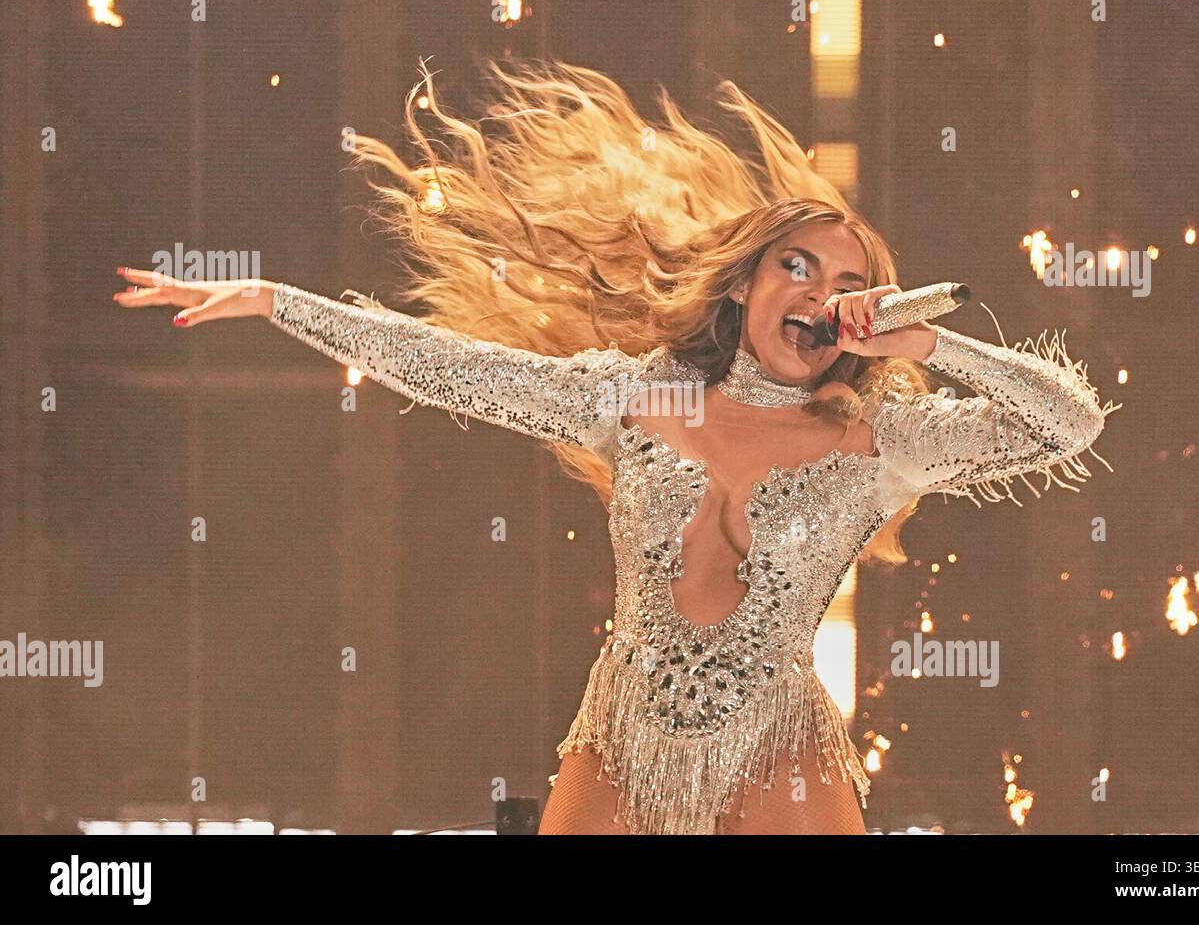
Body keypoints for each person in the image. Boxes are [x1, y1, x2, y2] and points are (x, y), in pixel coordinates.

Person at [113, 62, 1116, 835]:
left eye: (841, 281)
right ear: (741, 285)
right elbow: (449, 365)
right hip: (626, 725)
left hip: (781, 736)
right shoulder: (639, 396)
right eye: (793, 266)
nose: (814, 292)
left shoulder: (878, 434)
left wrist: (929, 343)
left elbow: (1069, 421)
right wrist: (277, 301)